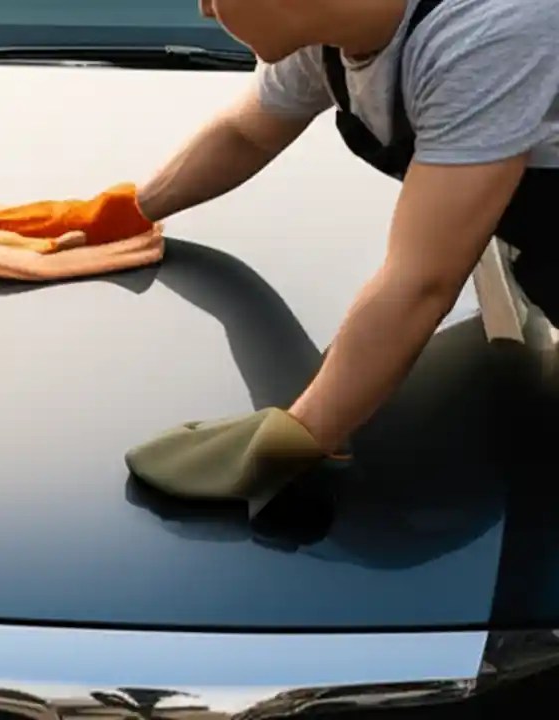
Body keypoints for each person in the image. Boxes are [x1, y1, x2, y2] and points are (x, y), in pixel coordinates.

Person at [124, 0, 558, 506]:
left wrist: (300, 435)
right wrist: (127, 212)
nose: (204, 10)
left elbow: (421, 282)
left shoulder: (487, 34)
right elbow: (244, 134)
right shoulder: (333, 34)